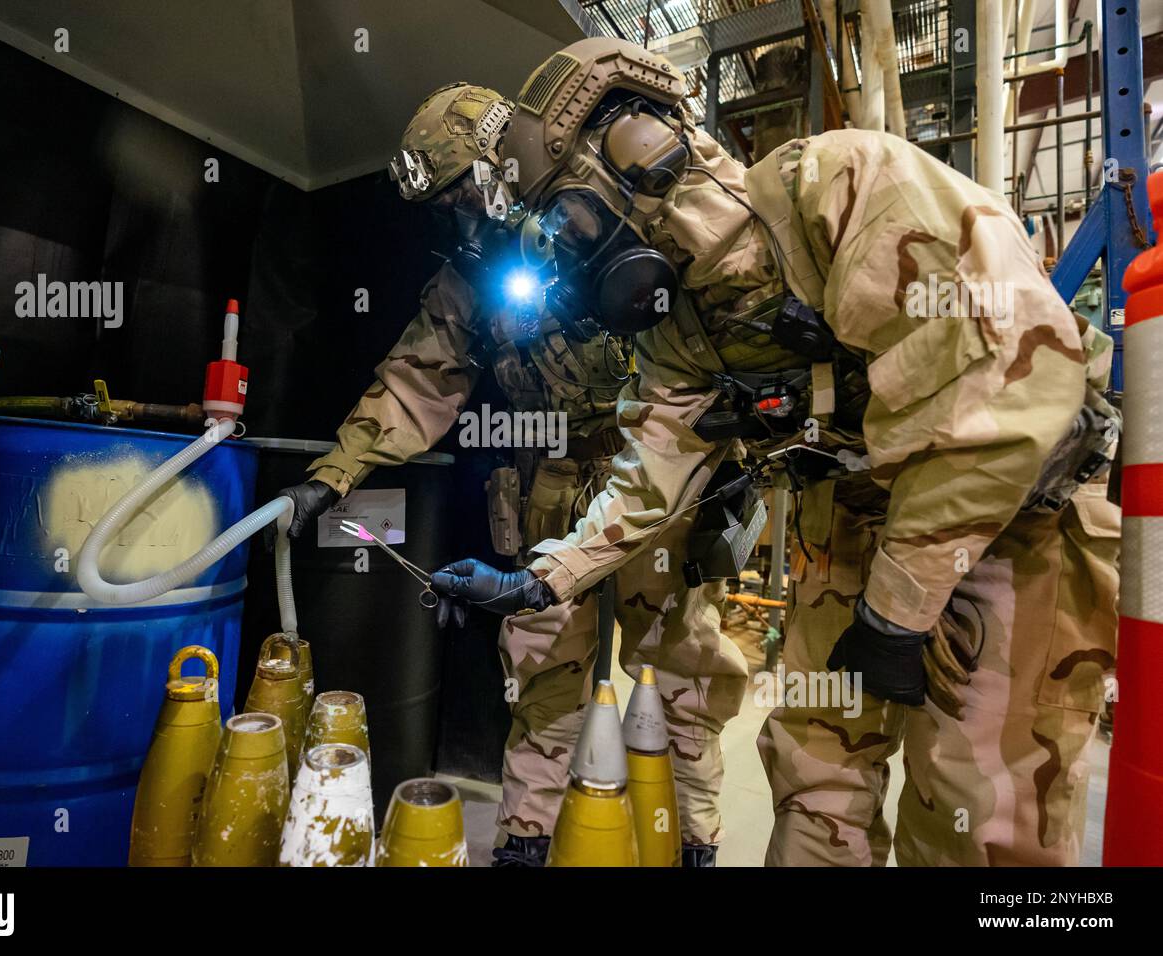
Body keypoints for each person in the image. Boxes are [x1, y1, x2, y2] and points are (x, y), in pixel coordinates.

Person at [430, 38, 1120, 866]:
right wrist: (541, 577)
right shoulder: (680, 328)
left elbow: (1003, 403)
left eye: (571, 221)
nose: (569, 255)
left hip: (1010, 522)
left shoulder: (848, 182)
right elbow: (649, 475)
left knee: (976, 811)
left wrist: (895, 618)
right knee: (814, 776)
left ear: (641, 153)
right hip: (854, 521)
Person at [278, 82, 747, 866]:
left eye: (465, 189)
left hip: (660, 474)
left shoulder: (615, 217)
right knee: (544, 679)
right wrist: (332, 477)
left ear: (500, 164)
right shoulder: (471, 280)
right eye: (447, 202)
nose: (463, 213)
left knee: (683, 677)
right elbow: (415, 381)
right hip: (553, 483)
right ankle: (524, 845)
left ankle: (692, 842)